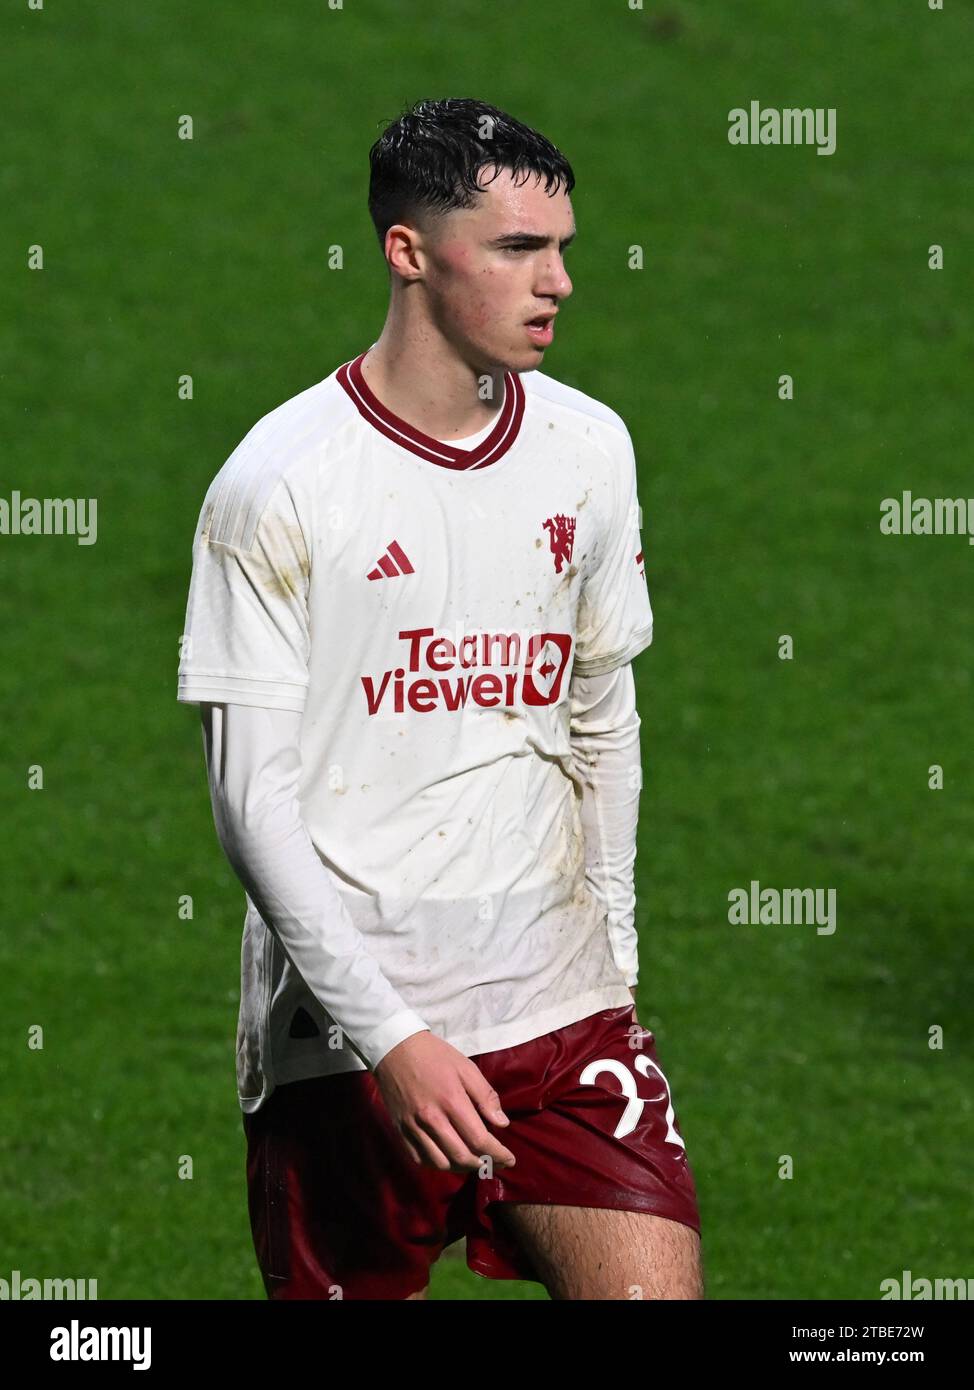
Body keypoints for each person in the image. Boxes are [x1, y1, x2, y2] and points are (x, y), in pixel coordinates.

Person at [176, 97, 702, 1301]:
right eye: (519, 248)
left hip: (561, 1007)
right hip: (350, 1035)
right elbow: (251, 803)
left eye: (563, 246)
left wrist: (609, 951)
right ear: (407, 253)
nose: (559, 279)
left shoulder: (589, 447)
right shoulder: (279, 488)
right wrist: (391, 1036)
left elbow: (599, 712)